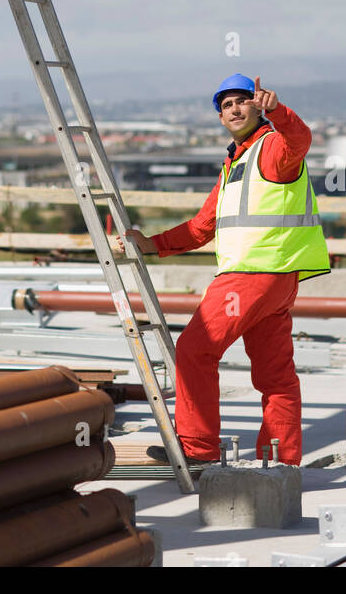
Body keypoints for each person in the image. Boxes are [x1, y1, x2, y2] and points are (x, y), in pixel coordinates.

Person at [128, 73, 330, 468]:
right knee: (277, 379)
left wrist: (280, 112)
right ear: (220, 117)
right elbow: (203, 226)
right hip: (276, 281)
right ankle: (279, 462)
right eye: (226, 106)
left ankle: (197, 449)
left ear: (258, 105)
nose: (234, 109)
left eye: (242, 101)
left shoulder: (272, 147)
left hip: (251, 277)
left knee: (193, 351)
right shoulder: (235, 164)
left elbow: (300, 141)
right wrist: (151, 244)